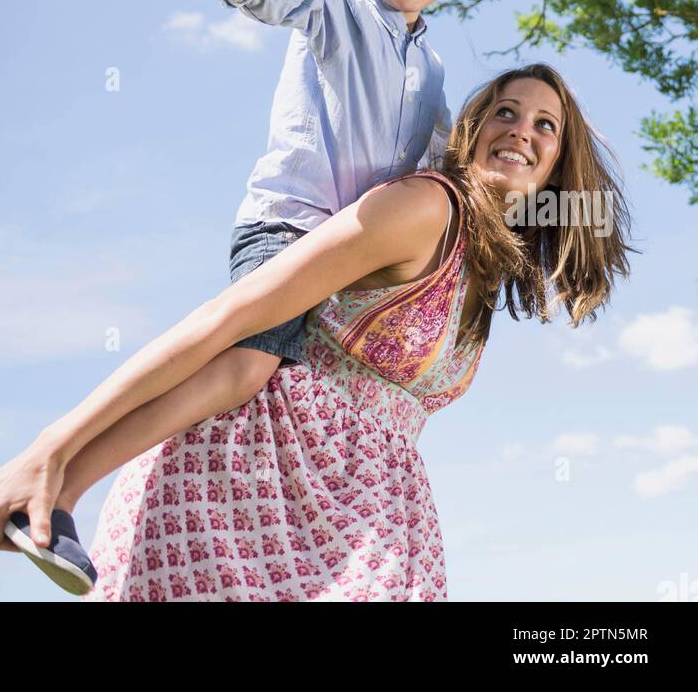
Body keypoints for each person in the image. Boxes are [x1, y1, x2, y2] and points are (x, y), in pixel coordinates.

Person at [0, 0, 466, 590]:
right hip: (287, 229)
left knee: (247, 374)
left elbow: (446, 154)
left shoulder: (433, 66)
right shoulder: (337, 12)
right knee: (244, 367)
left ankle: (63, 490)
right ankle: (57, 479)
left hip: (342, 262)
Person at [76, 63, 635, 600]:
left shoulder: (482, 265)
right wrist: (56, 458)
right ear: (473, 131)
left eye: (545, 124)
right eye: (505, 113)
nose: (520, 131)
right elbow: (230, 317)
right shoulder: (425, 208)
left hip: (370, 522)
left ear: (560, 164)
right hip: (245, 491)